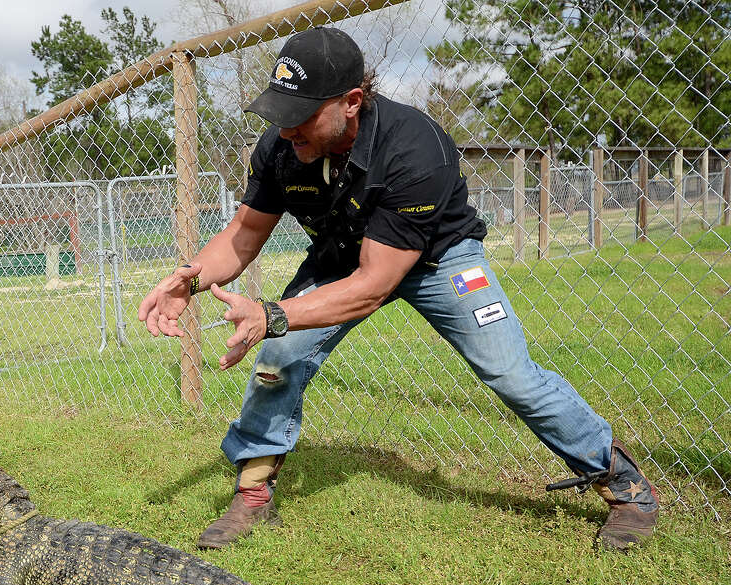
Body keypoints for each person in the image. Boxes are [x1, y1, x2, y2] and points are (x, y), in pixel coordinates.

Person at [138, 27, 659, 554]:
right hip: (343, 257)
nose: (285, 126)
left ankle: (624, 484)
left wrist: (273, 312)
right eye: (279, 109)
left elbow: (372, 285)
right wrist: (192, 277)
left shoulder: (415, 145)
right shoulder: (281, 146)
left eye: (301, 112)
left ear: (352, 102)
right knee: (279, 356)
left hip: (439, 259)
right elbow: (245, 232)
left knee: (510, 373)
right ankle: (253, 492)